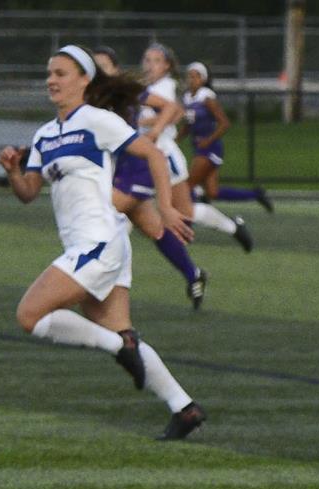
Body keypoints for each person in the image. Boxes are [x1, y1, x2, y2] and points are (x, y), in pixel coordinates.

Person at [0, 45, 206, 441]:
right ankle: (185, 408)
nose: (51, 80)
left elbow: (154, 156)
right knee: (122, 331)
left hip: (98, 244)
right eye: (49, 73)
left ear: (84, 80)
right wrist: (12, 172)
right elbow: (27, 193)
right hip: (96, 246)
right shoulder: (44, 135)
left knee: (29, 316)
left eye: (60, 73)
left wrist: (165, 206)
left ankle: (117, 346)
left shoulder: (96, 121)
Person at [90, 45, 207, 309]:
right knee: (154, 229)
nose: (98, 72)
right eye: (93, 67)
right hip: (120, 169)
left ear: (115, 70)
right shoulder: (92, 95)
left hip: (138, 167)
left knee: (99, 217)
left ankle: (95, 287)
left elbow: (171, 107)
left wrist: (153, 134)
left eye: (103, 67)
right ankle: (194, 274)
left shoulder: (123, 89)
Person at [144, 42, 253, 254]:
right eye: (147, 60)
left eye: (156, 61)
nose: (150, 65)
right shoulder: (150, 87)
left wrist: (143, 123)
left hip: (164, 155)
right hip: (145, 154)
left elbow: (175, 113)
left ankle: (231, 228)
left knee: (185, 211)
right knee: (134, 204)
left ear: (167, 65)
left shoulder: (165, 87)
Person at [182, 62, 274, 215]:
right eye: (189, 76)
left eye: (196, 76)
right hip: (199, 147)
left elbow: (224, 123)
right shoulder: (186, 98)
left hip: (210, 148)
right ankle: (256, 194)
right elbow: (188, 125)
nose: (191, 79)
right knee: (213, 192)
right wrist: (176, 139)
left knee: (187, 186)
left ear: (203, 79)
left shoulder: (207, 97)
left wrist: (208, 140)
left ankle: (185, 221)